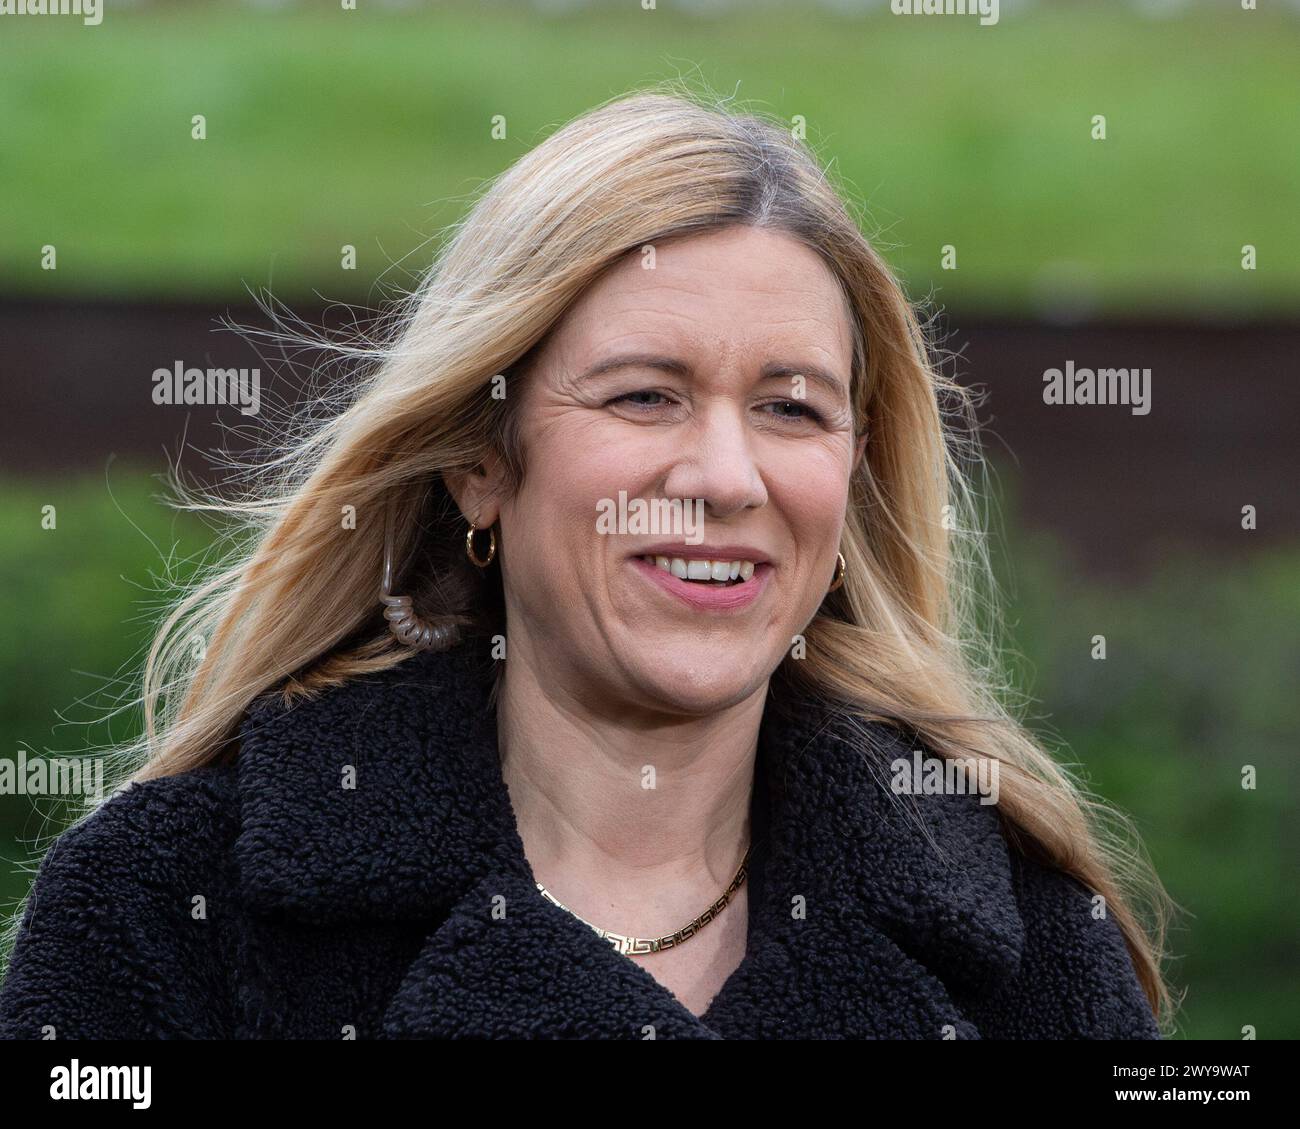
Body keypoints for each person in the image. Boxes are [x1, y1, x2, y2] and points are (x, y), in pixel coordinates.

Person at [0, 85, 1170, 1039]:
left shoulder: (1019, 930)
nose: (726, 476)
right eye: (646, 395)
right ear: (482, 462)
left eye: (790, 408)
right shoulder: (169, 901)